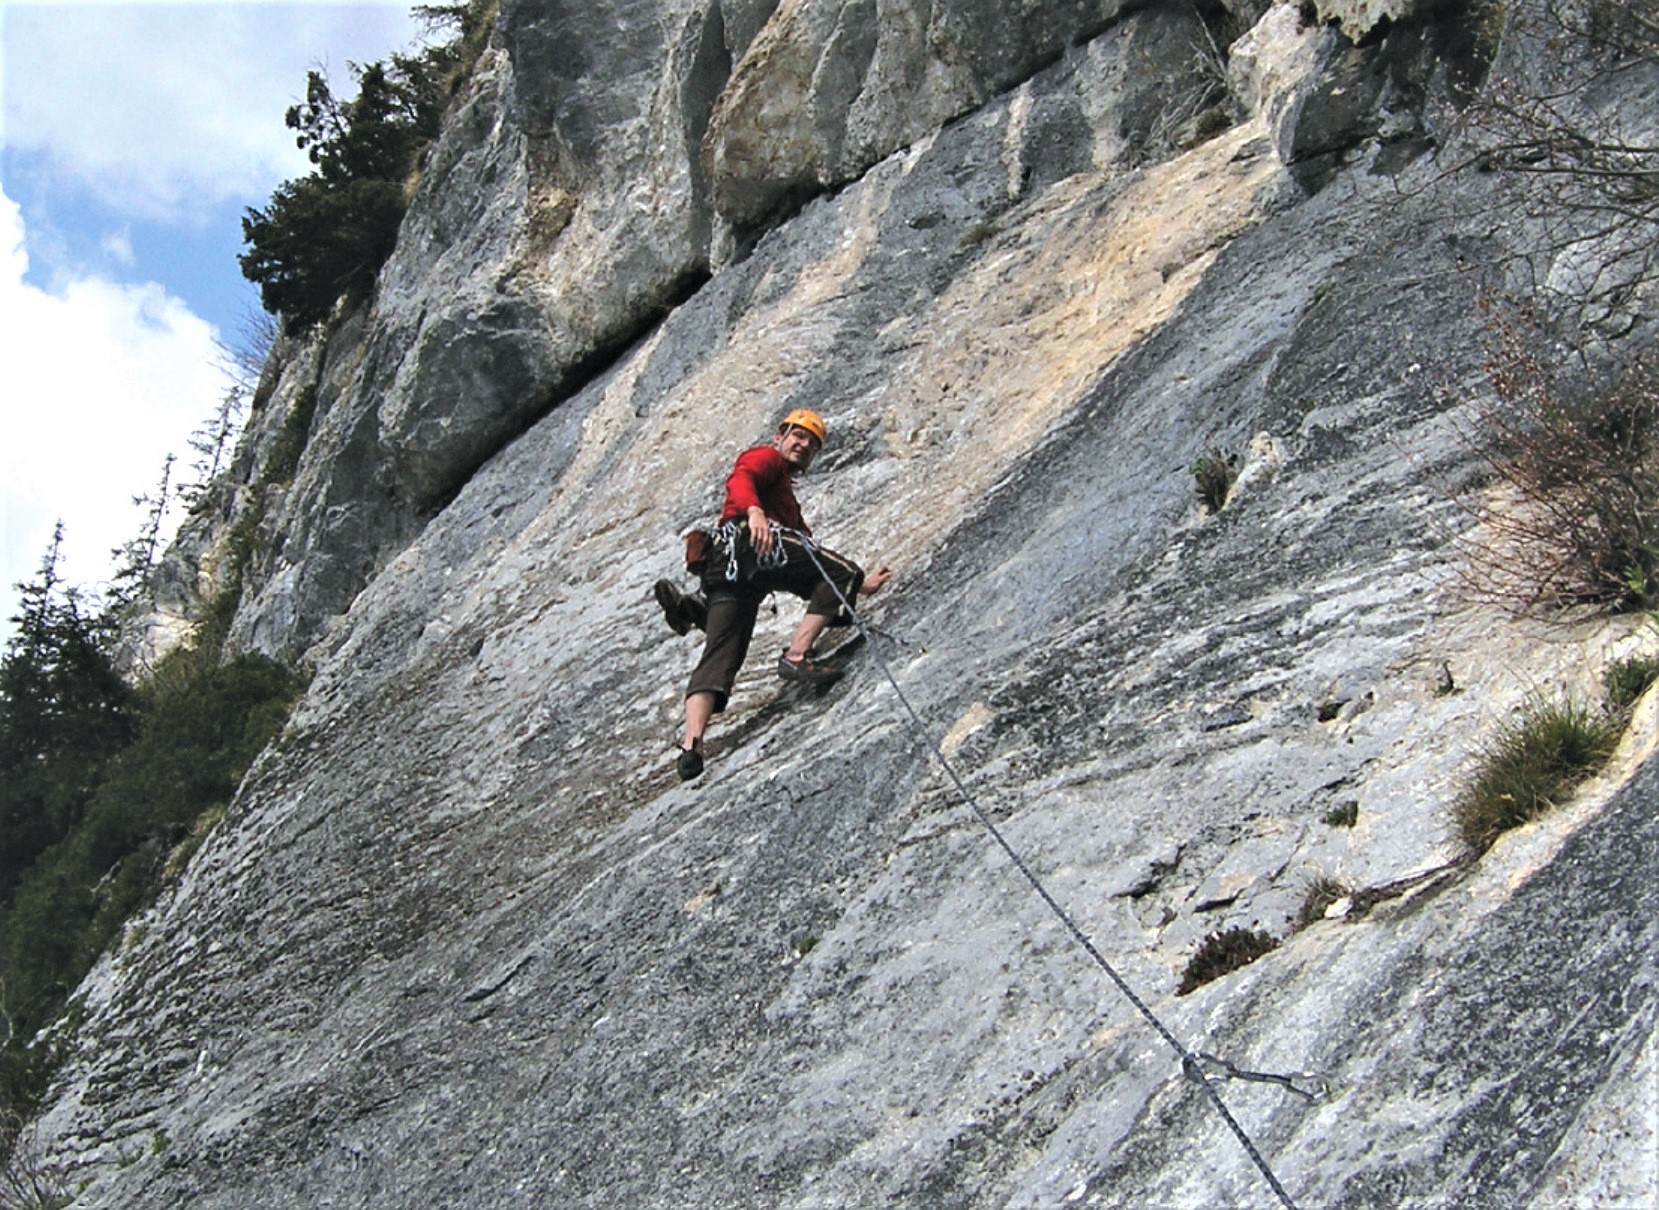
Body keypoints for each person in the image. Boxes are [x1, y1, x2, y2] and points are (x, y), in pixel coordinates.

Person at [655, 409, 892, 781]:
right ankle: (796, 655)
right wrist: (755, 513)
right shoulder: (766, 459)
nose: (804, 445)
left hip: (728, 568)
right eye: (798, 436)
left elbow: (810, 550)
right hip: (752, 544)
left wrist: (861, 586)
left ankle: (692, 745)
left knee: (721, 651)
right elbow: (741, 477)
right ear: (779, 437)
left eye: (812, 444)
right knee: (839, 572)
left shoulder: (787, 502)